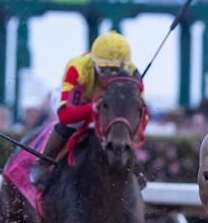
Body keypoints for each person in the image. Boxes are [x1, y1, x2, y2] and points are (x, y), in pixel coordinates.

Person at [30, 31, 146, 188]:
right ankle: (43, 163)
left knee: (122, 127)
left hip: (107, 106)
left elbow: (142, 117)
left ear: (125, 67)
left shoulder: (133, 74)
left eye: (116, 70)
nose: (110, 76)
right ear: (95, 65)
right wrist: (92, 108)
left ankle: (133, 168)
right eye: (105, 70)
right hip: (80, 100)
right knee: (73, 124)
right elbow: (65, 116)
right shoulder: (77, 69)